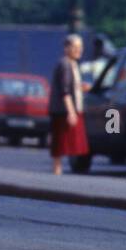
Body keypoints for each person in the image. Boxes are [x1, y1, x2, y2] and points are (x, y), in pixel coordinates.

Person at [49, 33, 89, 176]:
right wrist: (71, 112)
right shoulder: (65, 64)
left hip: (66, 109)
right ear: (67, 48)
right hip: (63, 110)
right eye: (75, 47)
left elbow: (70, 87)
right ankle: (57, 170)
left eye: (81, 47)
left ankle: (57, 170)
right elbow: (64, 91)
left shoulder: (72, 64)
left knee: (64, 142)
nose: (79, 50)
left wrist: (81, 87)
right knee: (61, 142)